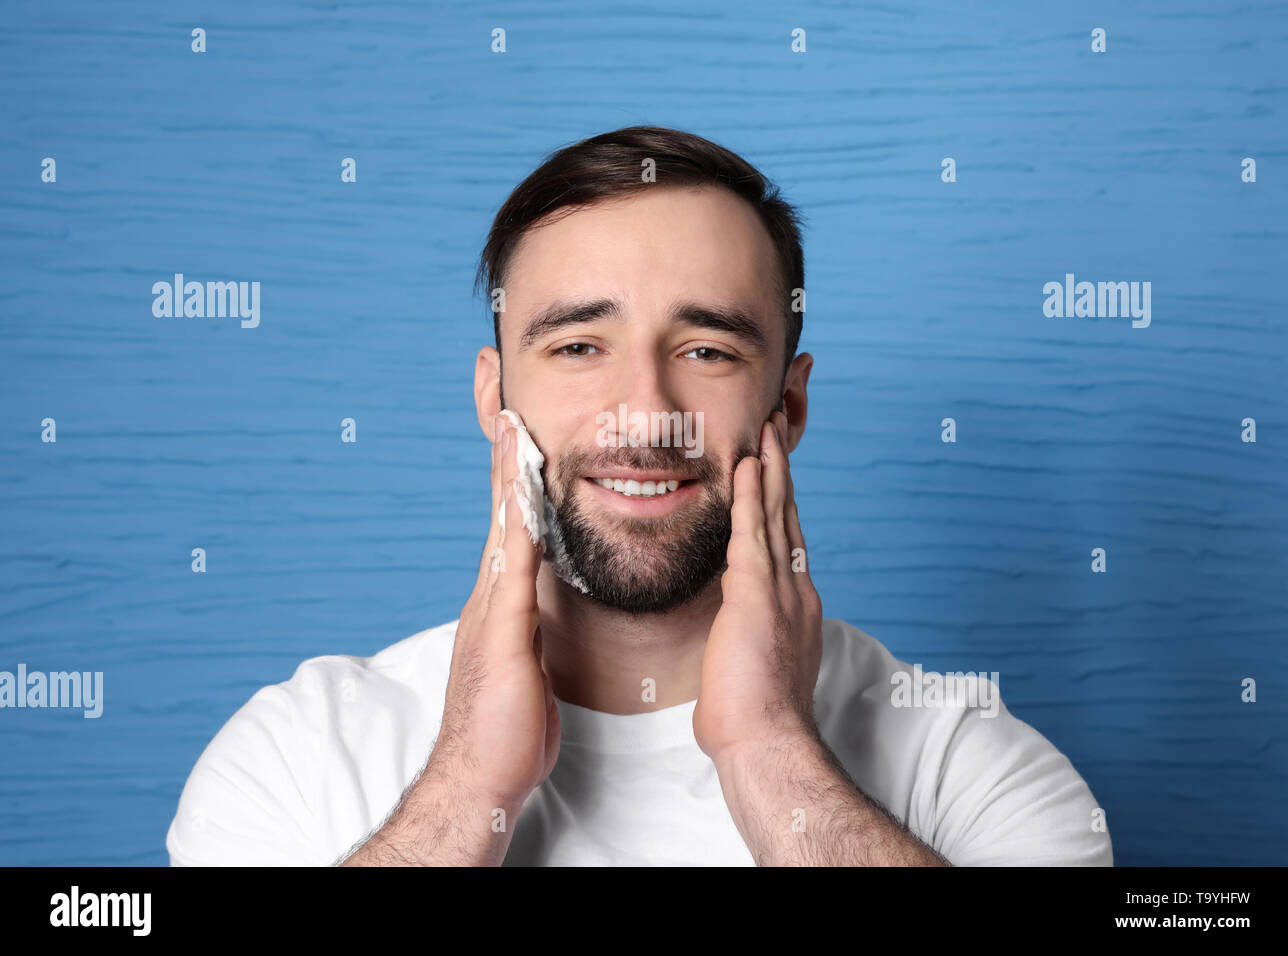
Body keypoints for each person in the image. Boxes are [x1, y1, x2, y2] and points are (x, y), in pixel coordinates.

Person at [166, 126, 1112, 866]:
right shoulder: (295, 755)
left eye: (707, 350)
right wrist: (465, 789)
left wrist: (769, 750)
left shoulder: (970, 769)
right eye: (579, 347)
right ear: (496, 398)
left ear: (787, 403)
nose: (645, 413)